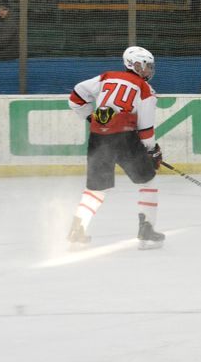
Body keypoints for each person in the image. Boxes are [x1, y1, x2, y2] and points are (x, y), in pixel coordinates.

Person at [66, 46, 165, 250]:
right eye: (145, 66)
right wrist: (152, 151)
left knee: (97, 188)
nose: (148, 71)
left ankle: (77, 229)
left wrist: (92, 118)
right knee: (148, 181)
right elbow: (145, 129)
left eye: (150, 67)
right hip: (125, 139)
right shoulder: (146, 89)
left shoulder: (106, 77)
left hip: (98, 137)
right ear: (133, 64)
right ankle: (146, 229)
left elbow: (75, 98)